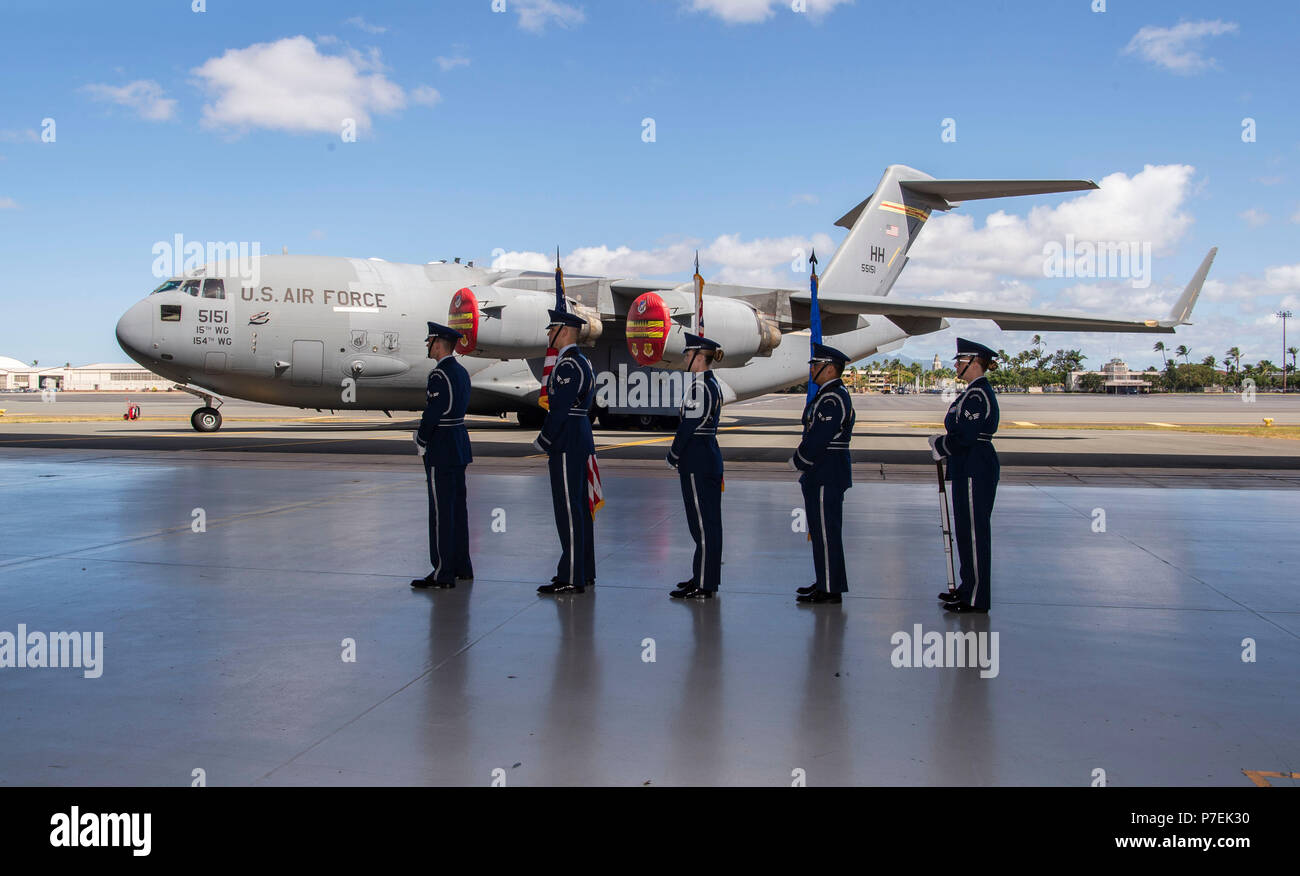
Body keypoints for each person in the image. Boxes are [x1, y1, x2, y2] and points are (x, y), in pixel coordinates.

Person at [929, 338, 1000, 613]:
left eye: (961, 361)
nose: (957, 365)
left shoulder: (977, 394)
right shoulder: (971, 393)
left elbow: (967, 436)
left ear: (974, 363)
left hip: (974, 466)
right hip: (966, 465)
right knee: (965, 532)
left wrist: (941, 445)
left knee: (973, 533)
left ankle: (976, 597)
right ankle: (967, 587)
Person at [533, 309, 596, 595]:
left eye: (552, 329)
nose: (549, 334)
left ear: (565, 331)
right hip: (577, 437)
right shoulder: (581, 362)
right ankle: (583, 569)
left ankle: (571, 576)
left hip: (567, 440)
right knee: (579, 509)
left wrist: (545, 438)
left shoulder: (569, 366)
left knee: (569, 509)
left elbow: (559, 409)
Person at [791, 343, 856, 604]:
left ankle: (830, 588)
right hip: (823, 471)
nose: (813, 370)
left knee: (827, 532)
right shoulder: (828, 395)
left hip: (826, 471)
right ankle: (825, 581)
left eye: (816, 365)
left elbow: (819, 438)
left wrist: (800, 460)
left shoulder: (832, 398)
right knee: (821, 531)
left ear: (829, 369)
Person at [411, 322, 474, 589]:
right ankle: (461, 566)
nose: (428, 346)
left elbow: (433, 413)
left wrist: (421, 439)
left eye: (430, 342)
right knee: (457, 509)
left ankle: (442, 571)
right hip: (458, 443)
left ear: (439, 344)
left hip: (442, 446)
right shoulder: (461, 372)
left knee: (441, 512)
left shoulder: (439, 375)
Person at [667, 333, 724, 600]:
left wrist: (673, 454)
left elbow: (688, 426)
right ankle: (703, 577)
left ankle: (704, 582)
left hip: (697, 459)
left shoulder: (700, 388)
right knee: (707, 523)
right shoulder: (710, 385)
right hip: (706, 457)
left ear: (700, 358)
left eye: (688, 355)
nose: (685, 358)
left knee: (702, 524)